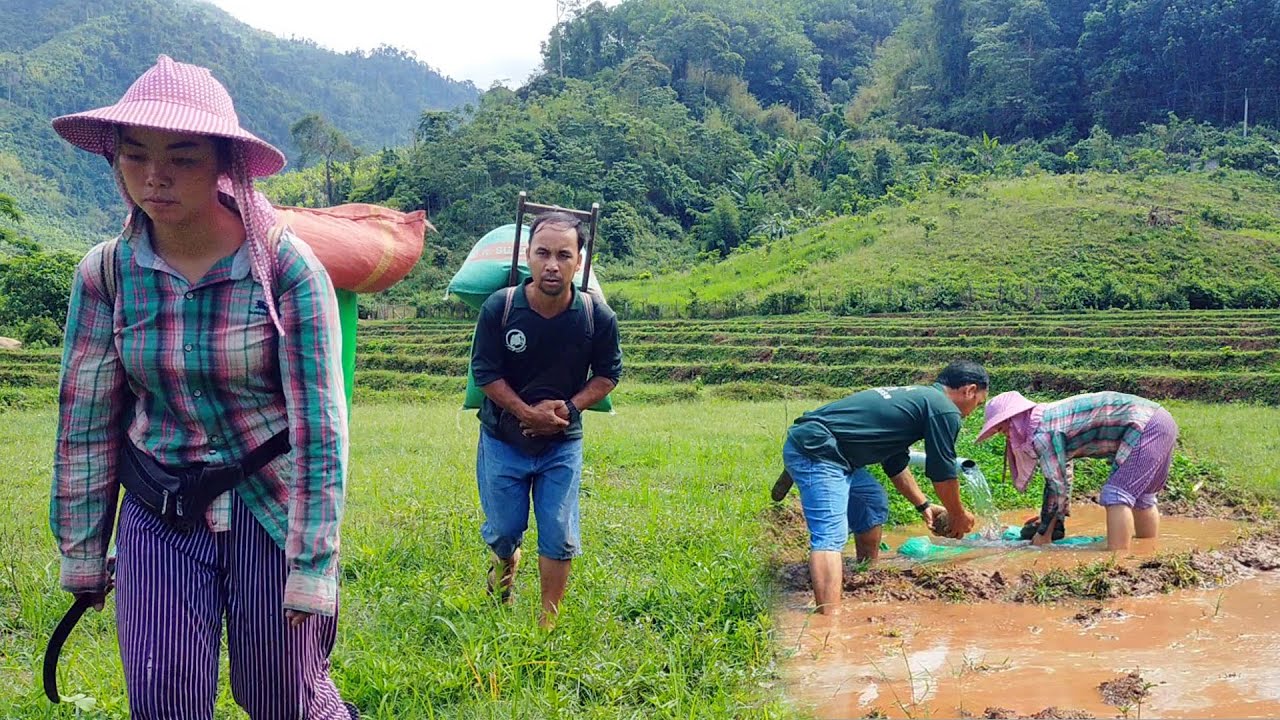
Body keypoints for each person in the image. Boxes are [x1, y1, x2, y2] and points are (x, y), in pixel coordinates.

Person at [49, 56, 357, 718]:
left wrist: (313, 565)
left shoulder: (284, 270)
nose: (154, 176)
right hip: (158, 505)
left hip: (267, 504)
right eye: (135, 155)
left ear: (223, 162)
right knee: (163, 696)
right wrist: (81, 548)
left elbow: (320, 428)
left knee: (278, 696)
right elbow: (85, 421)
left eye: (182, 157)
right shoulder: (105, 275)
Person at [470, 211, 622, 627]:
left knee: (559, 532)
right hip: (503, 439)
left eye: (563, 255)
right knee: (503, 530)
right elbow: (484, 372)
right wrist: (525, 413)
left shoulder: (596, 318)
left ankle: (547, 623)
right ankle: (505, 566)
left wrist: (567, 410)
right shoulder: (500, 309)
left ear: (579, 261)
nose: (552, 264)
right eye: (543, 253)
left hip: (562, 443)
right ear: (528, 257)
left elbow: (608, 374)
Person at [780, 361, 990, 615]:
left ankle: (865, 574)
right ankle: (829, 621)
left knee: (871, 500)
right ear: (969, 390)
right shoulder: (944, 410)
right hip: (819, 451)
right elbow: (942, 472)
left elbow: (894, 462)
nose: (971, 412)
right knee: (829, 534)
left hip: (837, 452)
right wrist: (957, 515)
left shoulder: (919, 398)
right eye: (978, 403)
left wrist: (923, 505)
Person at [976, 390, 1178, 551]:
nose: (1007, 437)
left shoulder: (1042, 432)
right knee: (1142, 497)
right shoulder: (1047, 417)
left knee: (1116, 494)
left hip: (1145, 425)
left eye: (1003, 430)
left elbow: (1056, 484)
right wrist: (1051, 518)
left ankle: (1118, 561)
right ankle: (1146, 551)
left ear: (1014, 422)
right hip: (1160, 420)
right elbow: (1063, 473)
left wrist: (1043, 534)